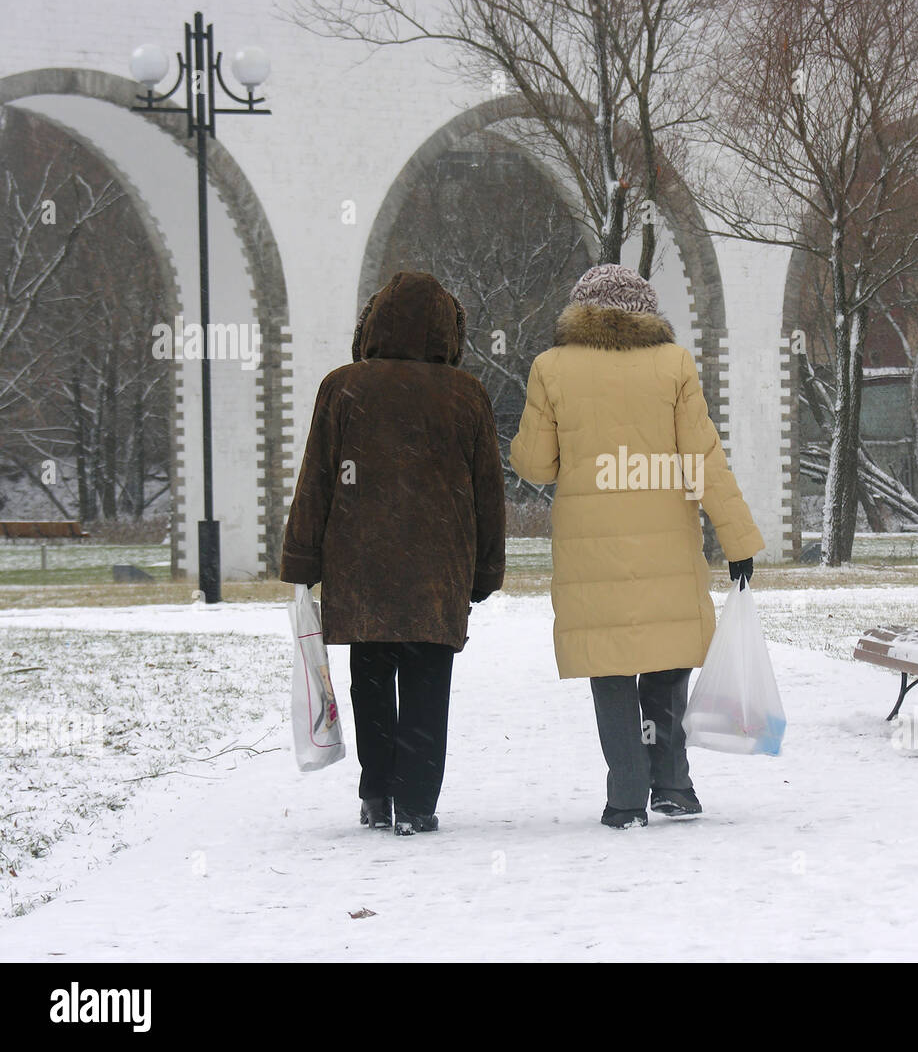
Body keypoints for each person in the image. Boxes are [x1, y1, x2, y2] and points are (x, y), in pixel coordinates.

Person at [510, 263, 764, 829]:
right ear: (647, 314)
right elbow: (703, 458)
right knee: (667, 660)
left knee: (611, 670)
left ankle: (626, 794)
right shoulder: (673, 364)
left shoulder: (550, 367)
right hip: (667, 541)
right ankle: (672, 782)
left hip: (589, 547)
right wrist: (736, 538)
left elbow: (535, 464)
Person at [280, 271, 506, 836]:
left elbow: (318, 480)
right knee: (429, 686)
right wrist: (484, 570)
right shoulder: (465, 394)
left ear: (373, 325)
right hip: (438, 573)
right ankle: (418, 804)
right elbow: (487, 491)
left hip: (363, 570)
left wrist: (303, 561)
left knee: (371, 682)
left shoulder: (343, 387)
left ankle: (377, 794)